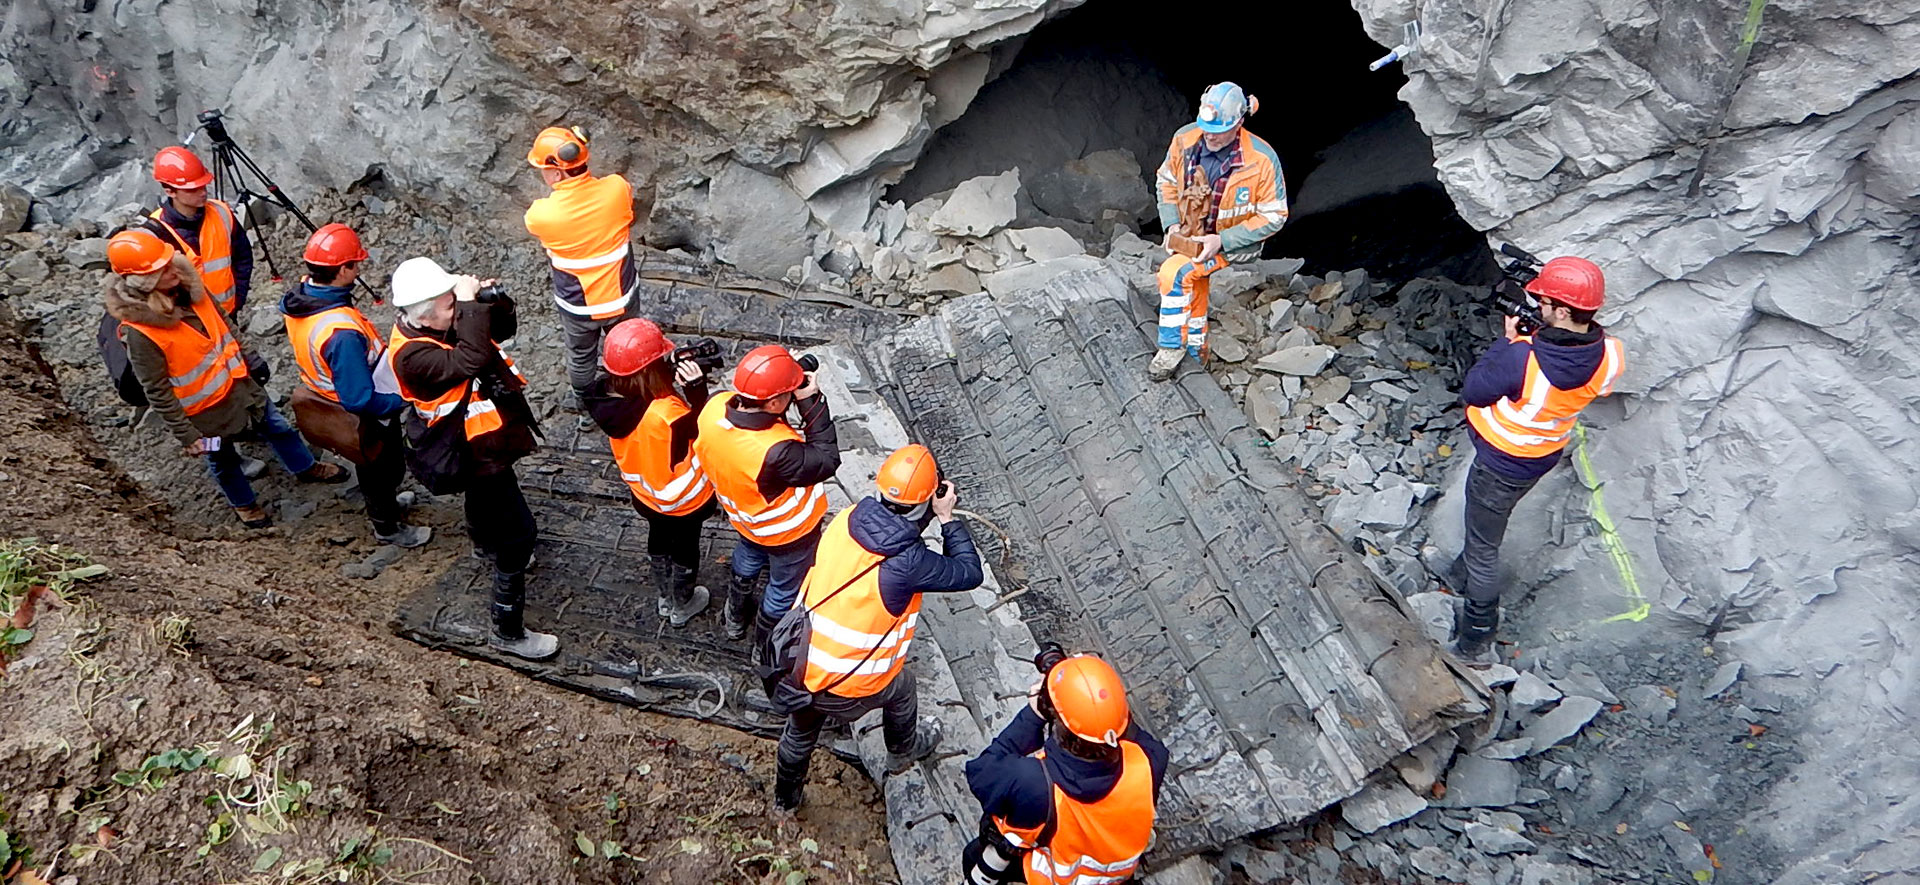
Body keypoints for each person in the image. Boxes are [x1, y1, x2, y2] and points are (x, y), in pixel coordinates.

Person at [772, 444, 982, 812]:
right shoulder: (909, 562)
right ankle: (902, 752)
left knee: (800, 732)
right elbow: (969, 572)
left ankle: (785, 802)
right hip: (849, 684)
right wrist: (947, 519)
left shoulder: (848, 518)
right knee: (903, 688)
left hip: (799, 661)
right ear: (927, 502)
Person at [102, 229, 345, 528]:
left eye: (168, 262)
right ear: (143, 283)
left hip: (243, 388)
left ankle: (305, 467)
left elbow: (225, 325)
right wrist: (187, 435)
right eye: (160, 270)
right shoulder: (141, 333)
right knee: (222, 459)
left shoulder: (191, 286)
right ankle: (245, 505)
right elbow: (157, 390)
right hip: (206, 416)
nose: (171, 270)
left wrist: (250, 358)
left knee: (277, 426)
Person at [1450, 256, 1626, 662]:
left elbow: (1475, 390)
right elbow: (1579, 363)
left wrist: (1509, 342)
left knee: (1483, 547)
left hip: (1501, 462)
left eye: (1545, 302)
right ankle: (1460, 573)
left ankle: (1475, 638)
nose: (1537, 306)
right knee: (1488, 524)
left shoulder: (1522, 358)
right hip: (1542, 455)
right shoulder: (1611, 355)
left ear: (1563, 312)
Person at [386, 256, 556, 661]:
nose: (457, 310)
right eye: (450, 306)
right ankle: (508, 630)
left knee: (481, 498)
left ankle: (484, 545)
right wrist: (468, 307)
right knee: (520, 535)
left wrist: (490, 303)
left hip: (484, 442)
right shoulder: (411, 357)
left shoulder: (439, 322)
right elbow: (472, 360)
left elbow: (501, 331)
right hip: (467, 449)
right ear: (425, 317)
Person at [279, 223, 431, 548]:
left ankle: (387, 507)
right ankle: (386, 526)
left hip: (326, 391)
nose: (360, 268)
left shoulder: (302, 299)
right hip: (365, 414)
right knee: (381, 469)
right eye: (355, 263)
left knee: (375, 467)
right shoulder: (341, 333)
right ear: (343, 269)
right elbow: (359, 399)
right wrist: (400, 401)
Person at [962, 652, 1168, 885]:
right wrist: (1088, 691)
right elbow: (1120, 726)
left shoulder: (1033, 783)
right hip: (1114, 874)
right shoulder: (1152, 759)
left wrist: (1034, 715)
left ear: (1058, 720)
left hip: (1057, 878)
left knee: (973, 855)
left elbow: (982, 771)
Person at [692, 345, 838, 642]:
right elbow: (827, 460)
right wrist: (810, 401)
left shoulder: (714, 407)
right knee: (783, 587)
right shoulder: (777, 450)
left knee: (747, 557)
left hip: (745, 518)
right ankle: (765, 642)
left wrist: (780, 370)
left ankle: (734, 617)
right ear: (773, 404)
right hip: (789, 533)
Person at [1148, 82, 1288, 382]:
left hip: (1234, 244)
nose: (1209, 134)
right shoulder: (1185, 139)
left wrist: (1222, 240)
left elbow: (1274, 216)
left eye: (1219, 129)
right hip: (1191, 234)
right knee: (1192, 280)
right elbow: (1167, 181)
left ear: (1238, 122)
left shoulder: (1261, 159)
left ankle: (1171, 349)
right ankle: (1198, 352)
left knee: (1173, 274)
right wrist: (1173, 224)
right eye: (1205, 127)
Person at [584, 318, 715, 628]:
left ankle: (664, 596)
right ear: (651, 371)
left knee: (658, 538)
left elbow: (640, 395)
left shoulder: (605, 399)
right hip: (684, 501)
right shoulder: (668, 413)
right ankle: (682, 603)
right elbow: (706, 432)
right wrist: (698, 394)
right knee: (685, 547)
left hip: (645, 495)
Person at [522, 125, 641, 399]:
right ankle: (631, 393)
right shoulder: (617, 188)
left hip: (577, 306)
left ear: (555, 171)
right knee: (627, 346)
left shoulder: (541, 215)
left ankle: (587, 406)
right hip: (621, 297)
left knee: (581, 357)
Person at [142, 146, 253, 317]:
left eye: (203, 186)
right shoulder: (155, 233)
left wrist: (238, 299)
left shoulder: (222, 213)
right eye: (192, 189)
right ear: (170, 191)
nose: (202, 193)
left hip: (228, 312)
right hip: (191, 321)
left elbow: (243, 256)